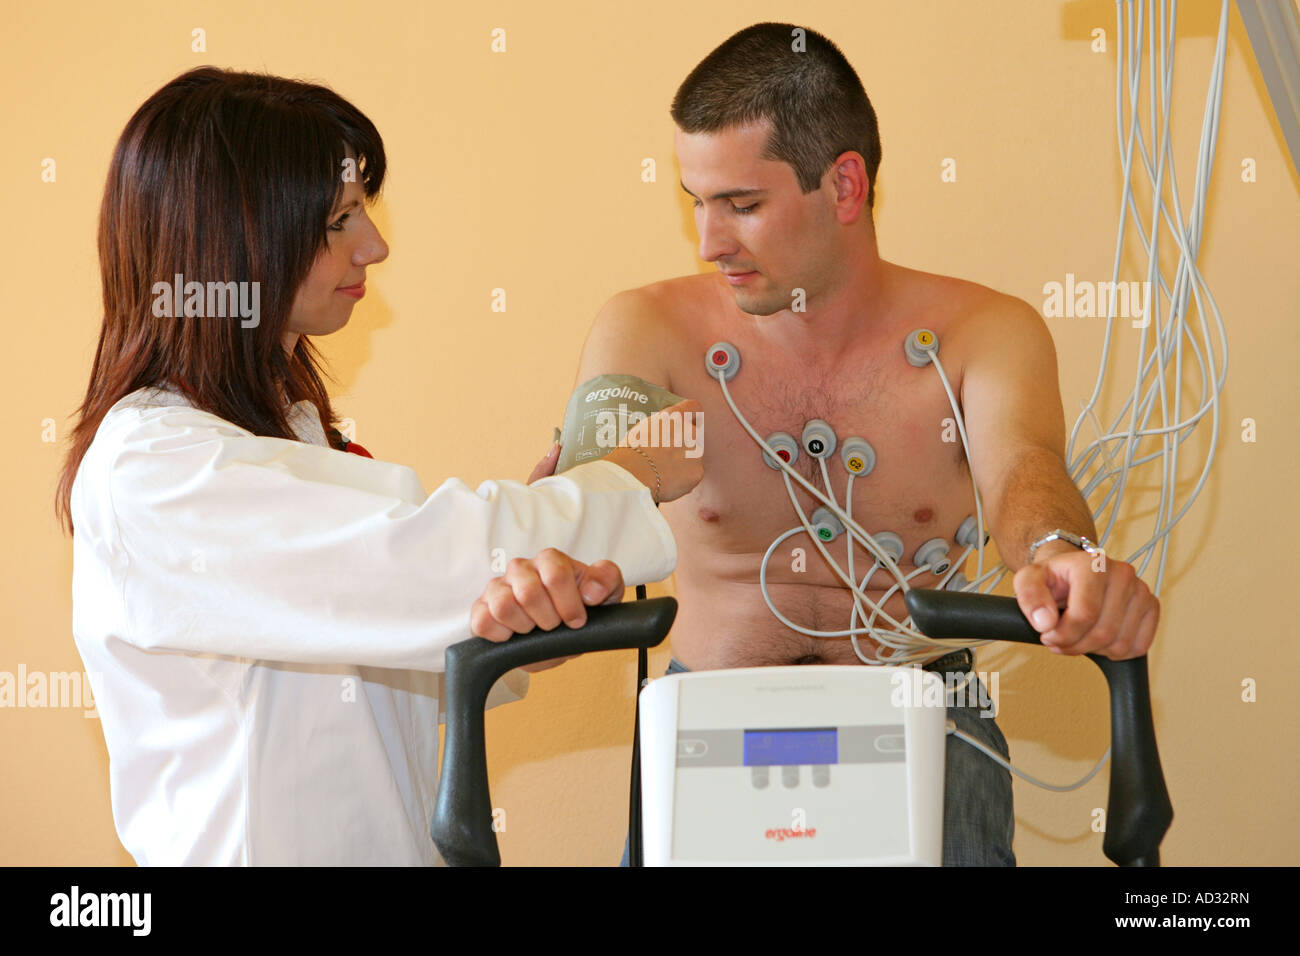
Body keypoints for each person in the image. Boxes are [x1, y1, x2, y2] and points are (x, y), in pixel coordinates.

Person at [520, 22, 1161, 866]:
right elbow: (593, 488)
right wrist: (551, 552)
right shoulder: (650, 329)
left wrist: (1060, 551)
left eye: (742, 206)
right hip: (715, 716)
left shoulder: (984, 332)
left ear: (846, 186)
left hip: (929, 712)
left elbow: (1024, 470)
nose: (710, 243)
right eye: (696, 203)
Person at [56, 66, 702, 866]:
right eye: (338, 221)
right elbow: (427, 552)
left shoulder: (289, 438)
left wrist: (520, 606)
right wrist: (631, 473)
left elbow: (386, 644)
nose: (375, 246)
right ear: (235, 243)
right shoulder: (158, 472)